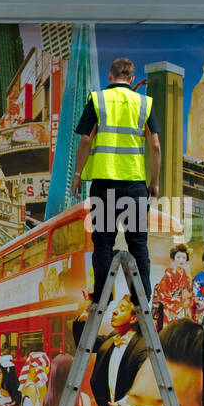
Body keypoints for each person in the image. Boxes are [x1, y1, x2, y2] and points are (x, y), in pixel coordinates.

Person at [71, 57, 161, 305]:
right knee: (138, 242)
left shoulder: (98, 100)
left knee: (103, 242)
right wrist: (154, 182)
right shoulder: (144, 103)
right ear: (132, 79)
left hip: (104, 184)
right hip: (134, 185)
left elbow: (86, 140)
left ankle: (101, 296)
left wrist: (77, 175)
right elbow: (154, 146)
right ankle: (142, 298)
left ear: (110, 77)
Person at [72, 292, 144, 406]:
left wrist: (126, 403)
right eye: (116, 308)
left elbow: (145, 380)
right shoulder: (113, 337)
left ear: (134, 319)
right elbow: (85, 345)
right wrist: (84, 318)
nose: (115, 311)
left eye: (122, 309)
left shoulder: (143, 345)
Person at [153, 242, 195, 330]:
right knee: (171, 331)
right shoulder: (168, 274)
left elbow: (188, 291)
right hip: (171, 308)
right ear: (173, 259)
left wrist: (187, 299)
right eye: (178, 257)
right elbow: (163, 294)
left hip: (183, 308)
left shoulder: (185, 274)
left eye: (183, 258)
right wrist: (178, 303)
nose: (181, 260)